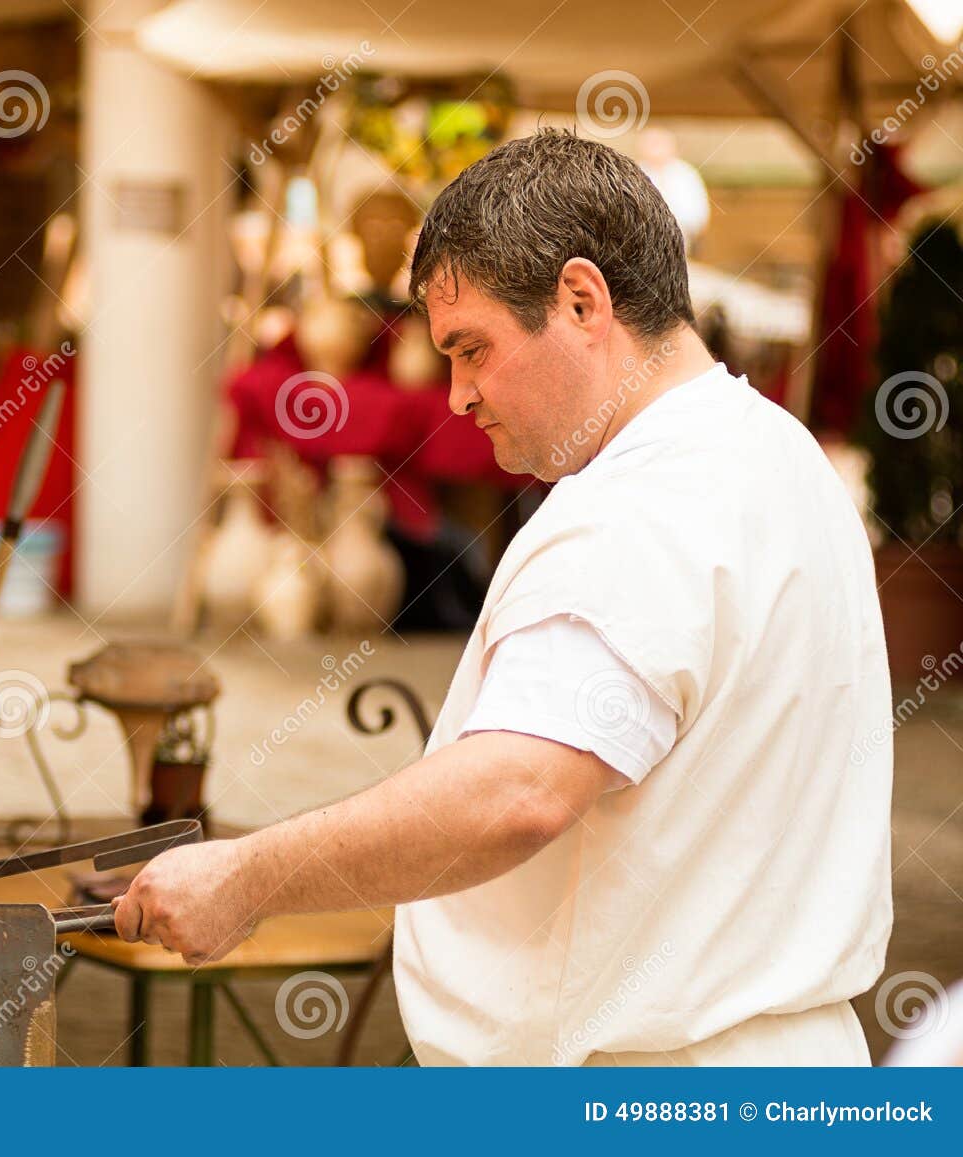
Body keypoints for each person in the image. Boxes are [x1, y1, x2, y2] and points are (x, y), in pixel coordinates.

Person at [114, 129, 893, 1066]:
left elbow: (518, 791)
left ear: (580, 299)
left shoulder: (638, 510)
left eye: (472, 349)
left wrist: (245, 875)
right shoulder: (778, 452)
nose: (456, 396)